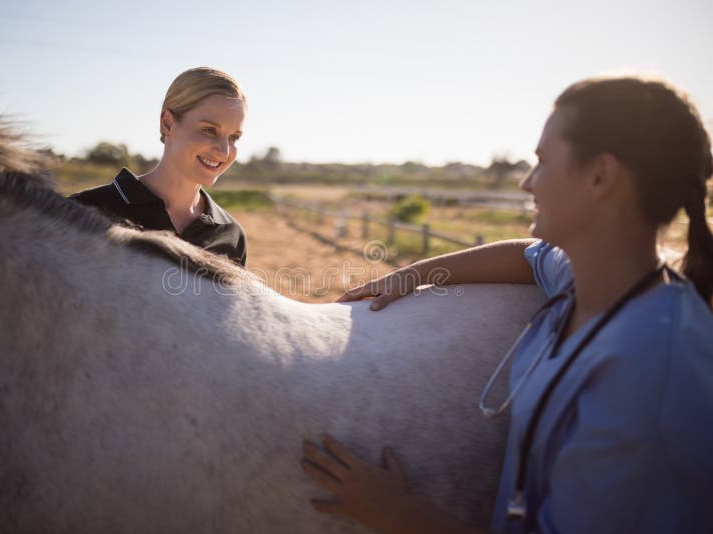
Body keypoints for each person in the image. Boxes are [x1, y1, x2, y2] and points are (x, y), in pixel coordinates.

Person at [300, 76, 713, 533]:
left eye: (541, 162)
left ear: (601, 176)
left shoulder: (650, 364)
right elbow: (526, 255)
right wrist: (411, 275)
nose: (526, 183)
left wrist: (396, 513)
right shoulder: (594, 280)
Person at [71, 67, 248, 266]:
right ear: (167, 123)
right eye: (209, 130)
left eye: (234, 137)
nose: (224, 152)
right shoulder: (84, 211)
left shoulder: (232, 236)